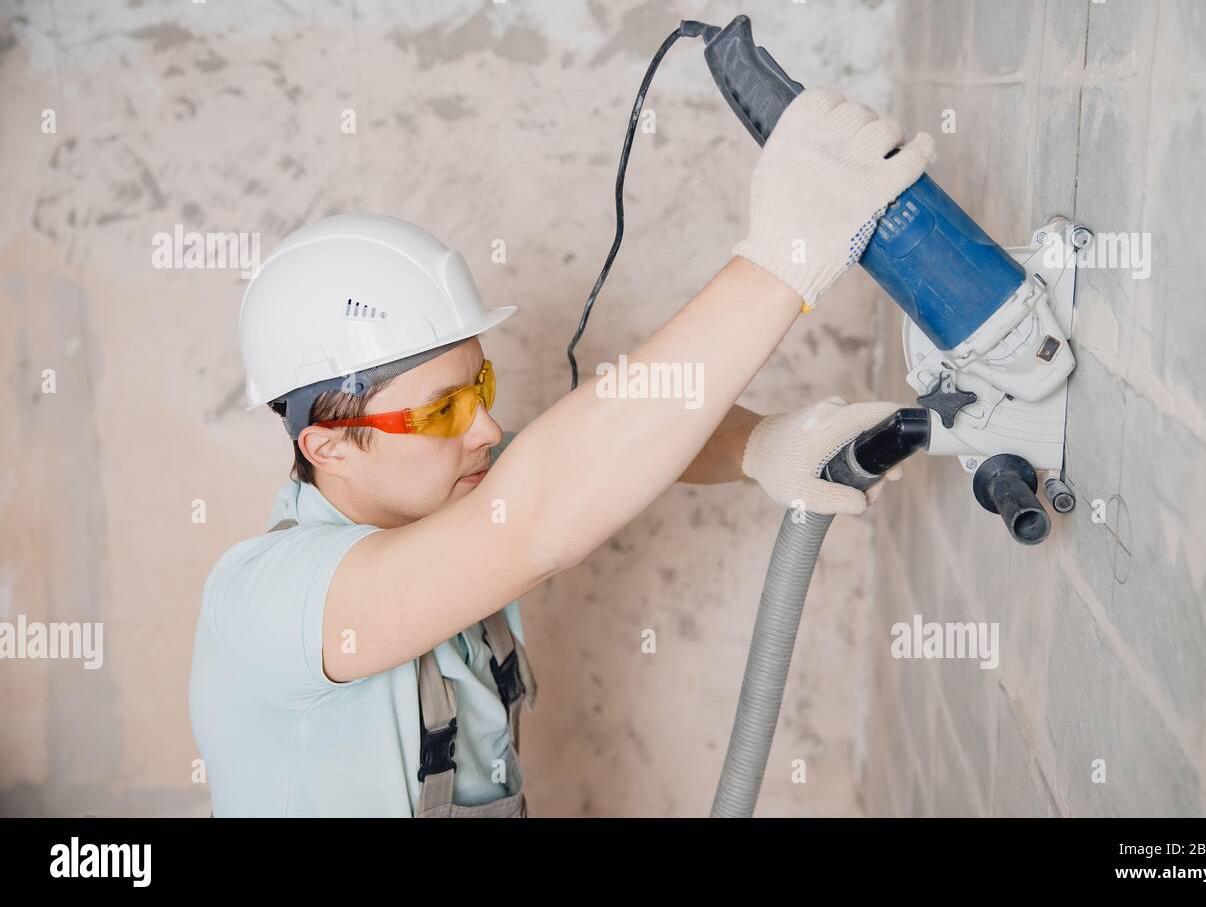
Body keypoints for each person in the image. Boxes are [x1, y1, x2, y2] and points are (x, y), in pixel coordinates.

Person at [188, 86, 935, 816]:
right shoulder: (265, 596)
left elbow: (604, 445)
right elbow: (537, 513)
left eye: (480, 384)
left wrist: (763, 445)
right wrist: (777, 264)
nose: (484, 429)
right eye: (444, 410)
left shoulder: (451, 486)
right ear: (328, 446)